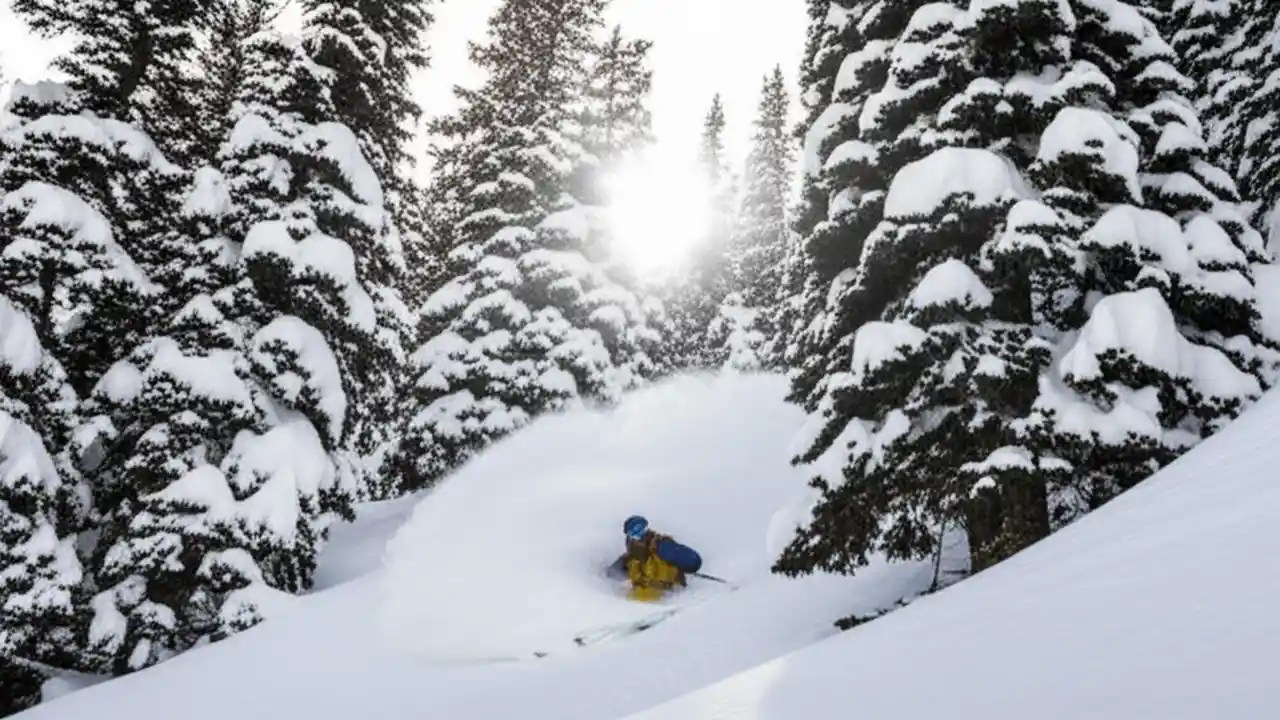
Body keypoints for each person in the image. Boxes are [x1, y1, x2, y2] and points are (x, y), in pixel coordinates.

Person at [609, 515, 702, 601]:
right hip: (645, 592)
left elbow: (693, 561)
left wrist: (687, 564)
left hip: (668, 593)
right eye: (634, 535)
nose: (638, 538)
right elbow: (613, 573)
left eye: (642, 532)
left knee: (635, 597)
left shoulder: (662, 546)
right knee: (621, 594)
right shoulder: (633, 555)